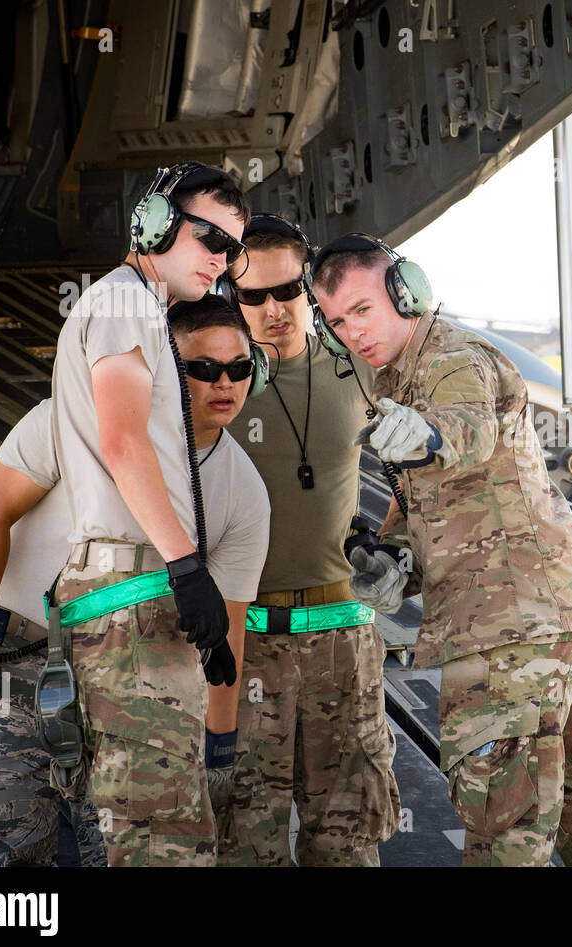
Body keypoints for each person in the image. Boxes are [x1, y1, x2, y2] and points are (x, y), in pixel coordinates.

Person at [311, 234, 572, 867]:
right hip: (552, 614)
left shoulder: (452, 361)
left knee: (504, 824)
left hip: (507, 630)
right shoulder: (404, 377)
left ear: (404, 291)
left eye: (361, 309)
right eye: (336, 321)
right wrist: (395, 561)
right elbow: (438, 496)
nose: (352, 331)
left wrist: (428, 433)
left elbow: (465, 429)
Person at [0, 296, 270, 867]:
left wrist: (217, 750)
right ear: (163, 366)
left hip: (128, 680)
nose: (225, 383)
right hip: (19, 658)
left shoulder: (244, 491)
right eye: (203, 368)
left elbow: (226, 635)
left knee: (118, 847)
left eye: (240, 368)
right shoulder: (72, 418)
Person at [48, 162, 252, 866]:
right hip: (135, 587)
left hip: (135, 590)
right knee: (162, 836)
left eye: (233, 251)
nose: (222, 262)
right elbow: (123, 438)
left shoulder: (140, 310)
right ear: (156, 224)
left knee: (148, 825)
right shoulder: (128, 304)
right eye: (210, 238)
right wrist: (186, 566)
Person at [220, 214, 400, 866]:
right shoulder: (211, 383)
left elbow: (431, 456)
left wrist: (395, 543)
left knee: (347, 844)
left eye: (287, 290)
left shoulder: (358, 368)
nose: (272, 310)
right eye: (253, 297)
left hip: (343, 647)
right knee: (244, 843)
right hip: (245, 645)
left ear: (310, 288)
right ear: (232, 300)